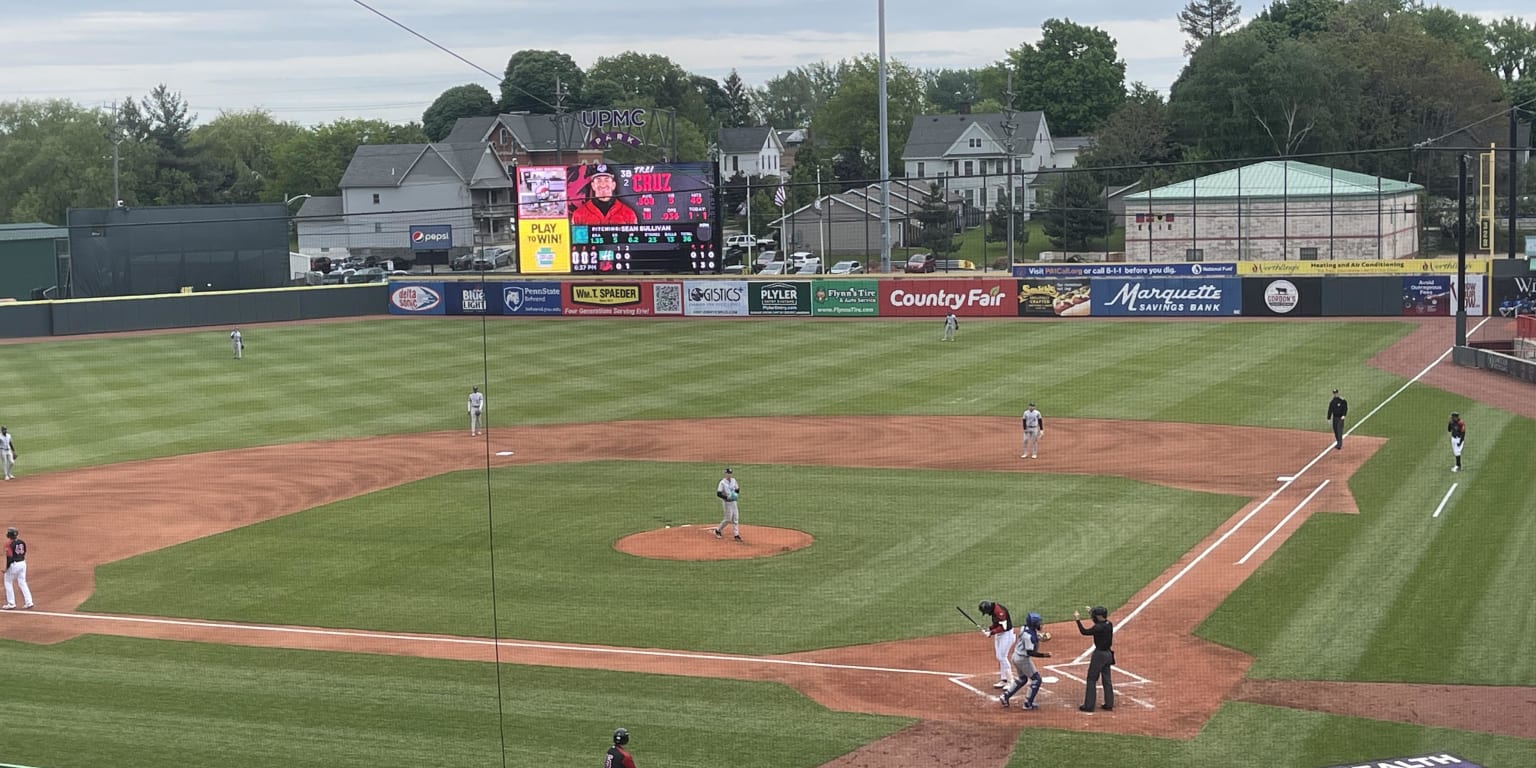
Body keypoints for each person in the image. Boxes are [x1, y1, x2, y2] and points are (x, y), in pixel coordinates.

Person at [999, 612, 1052, 709]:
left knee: (1022, 679)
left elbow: (1030, 636)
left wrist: (1039, 637)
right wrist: (1044, 655)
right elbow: (1030, 652)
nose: (1040, 624)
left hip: (1015, 657)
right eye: (1038, 623)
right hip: (1023, 660)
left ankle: (1005, 696)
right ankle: (1027, 704)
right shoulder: (1029, 637)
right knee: (1036, 680)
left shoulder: (1024, 628)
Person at [1074, 606, 1114, 712]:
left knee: (1091, 679)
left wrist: (1077, 620)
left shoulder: (1098, 628)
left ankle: (1089, 706)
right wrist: (1091, 612)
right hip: (1108, 654)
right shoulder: (1109, 624)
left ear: (1100, 616)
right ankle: (1109, 704)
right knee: (1107, 679)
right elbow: (1097, 621)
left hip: (1099, 655)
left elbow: (1084, 632)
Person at [570, 164, 638, 226]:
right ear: (593, 185)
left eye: (607, 180)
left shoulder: (628, 214)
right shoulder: (579, 214)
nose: (603, 184)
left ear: (613, 185)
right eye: (598, 180)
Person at [977, 600, 1015, 689]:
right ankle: (1004, 680)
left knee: (1002, 657)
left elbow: (1003, 627)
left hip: (1007, 635)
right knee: (1000, 657)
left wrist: (991, 633)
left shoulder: (1000, 612)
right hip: (1000, 635)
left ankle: (1011, 681)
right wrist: (989, 629)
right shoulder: (994, 610)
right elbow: (996, 624)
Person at [3, 527, 32, 610]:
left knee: (8, 582)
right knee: (22, 582)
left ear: (9, 535)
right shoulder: (21, 542)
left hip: (14, 564)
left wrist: (6, 568)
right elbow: (24, 552)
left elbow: (10, 557)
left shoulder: (9, 544)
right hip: (23, 563)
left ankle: (11, 603)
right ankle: (29, 601)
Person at [713, 467, 742, 541]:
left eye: (730, 473)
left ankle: (736, 535)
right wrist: (727, 497)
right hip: (726, 503)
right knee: (728, 519)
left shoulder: (733, 480)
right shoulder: (722, 482)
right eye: (728, 473)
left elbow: (737, 489)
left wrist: (735, 495)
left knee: (736, 518)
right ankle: (718, 530)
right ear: (725, 474)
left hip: (734, 502)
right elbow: (718, 493)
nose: (729, 475)